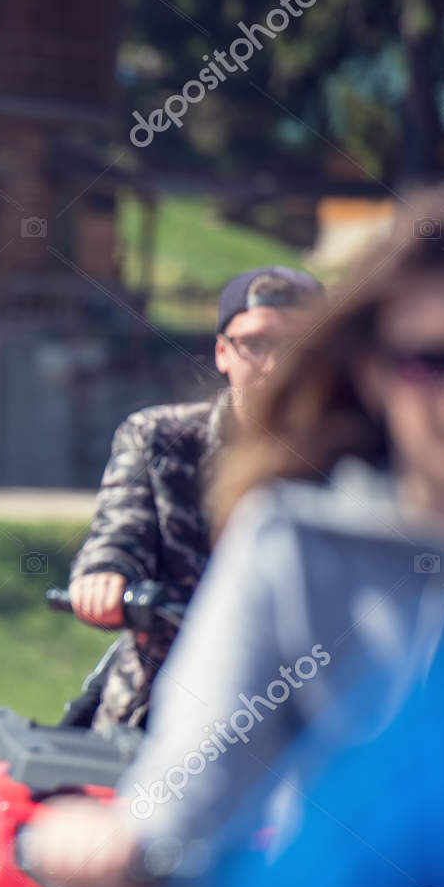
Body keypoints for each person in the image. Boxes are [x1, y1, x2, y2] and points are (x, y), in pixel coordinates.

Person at [23, 183, 444, 887]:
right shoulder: (293, 539)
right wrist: (137, 836)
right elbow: (199, 753)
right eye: (430, 359)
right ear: (374, 371)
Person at [68, 266, 323, 732]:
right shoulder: (159, 438)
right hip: (159, 708)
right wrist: (106, 574)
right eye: (256, 344)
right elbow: (119, 530)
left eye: (296, 347)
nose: (274, 366)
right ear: (223, 352)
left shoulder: (361, 461)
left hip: (310, 720)